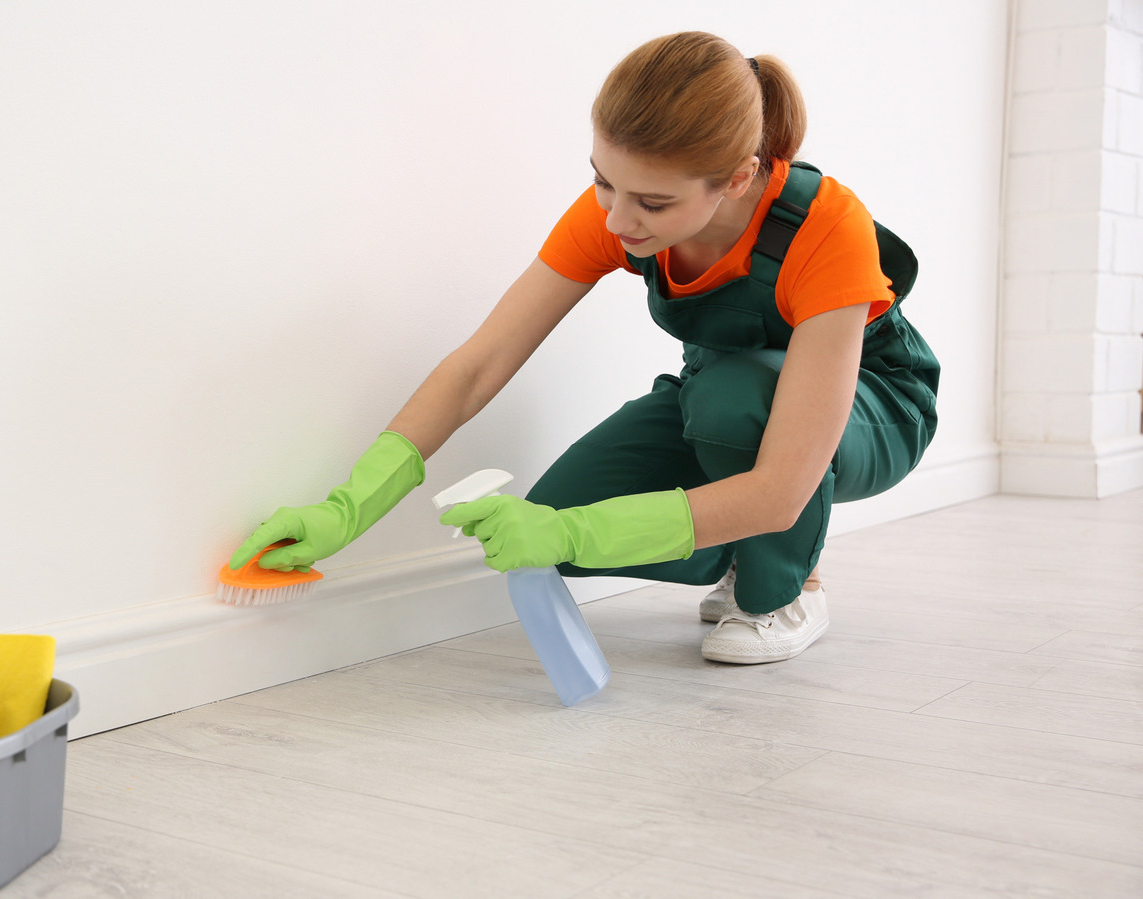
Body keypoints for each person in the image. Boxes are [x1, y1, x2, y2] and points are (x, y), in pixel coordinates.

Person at [228, 31, 939, 665]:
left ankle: (784, 589)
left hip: (872, 411)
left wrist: (580, 533)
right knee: (562, 510)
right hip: (722, 393)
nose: (618, 217)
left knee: (724, 410)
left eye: (652, 203)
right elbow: (480, 366)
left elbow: (784, 485)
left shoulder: (827, 229)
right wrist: (346, 507)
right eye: (603, 180)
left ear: (738, 179)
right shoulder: (622, 205)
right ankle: (742, 552)